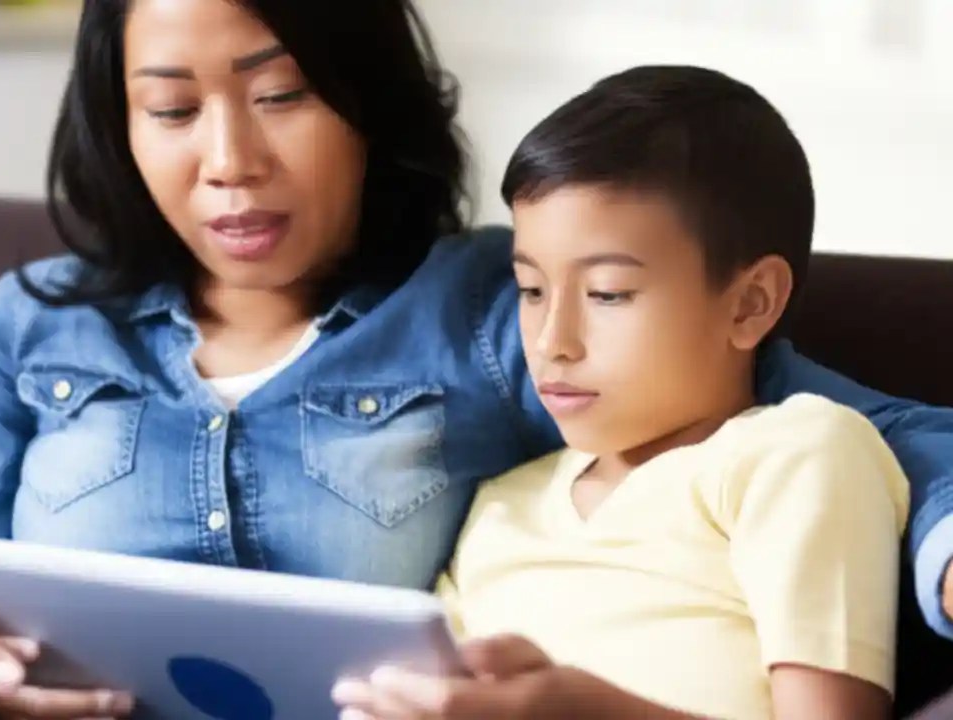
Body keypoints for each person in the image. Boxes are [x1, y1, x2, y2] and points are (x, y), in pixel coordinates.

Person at [0, 0, 950, 718]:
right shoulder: (27, 325)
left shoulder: (487, 299)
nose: (227, 157)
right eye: (171, 108)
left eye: (279, 93)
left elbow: (833, 422)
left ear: (363, 99)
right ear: (120, 125)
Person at [331, 65, 909, 720]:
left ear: (749, 304)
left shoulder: (795, 454)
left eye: (607, 293)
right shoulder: (500, 505)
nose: (554, 340)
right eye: (531, 290)